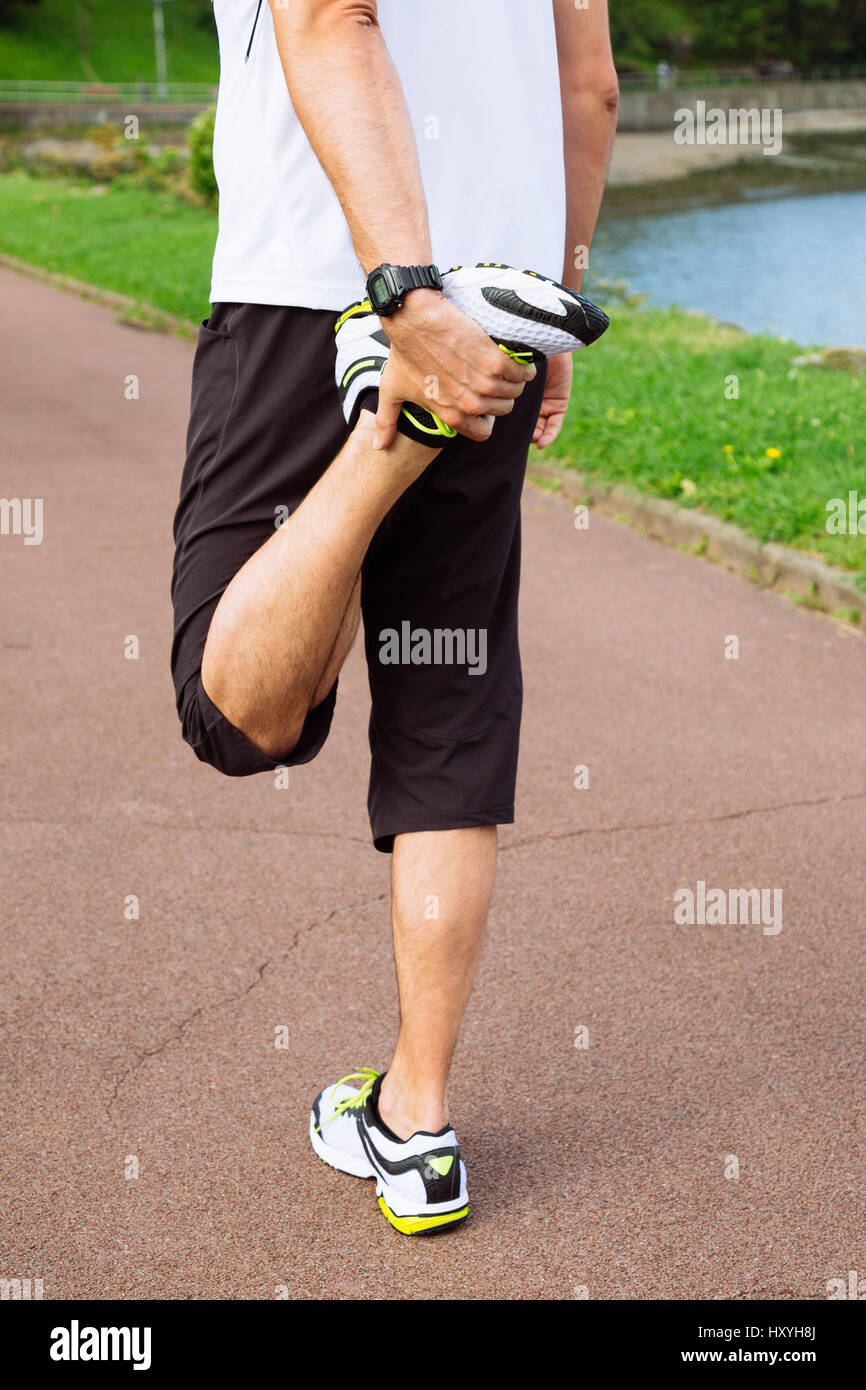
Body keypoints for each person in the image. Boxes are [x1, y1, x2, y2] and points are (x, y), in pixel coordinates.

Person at [171, 0, 618, 1235]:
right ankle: (416, 1128)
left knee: (235, 717)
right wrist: (554, 299)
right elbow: (590, 89)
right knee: (448, 721)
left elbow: (327, 12)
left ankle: (388, 433)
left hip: (318, 283)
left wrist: (402, 296)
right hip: (491, 314)